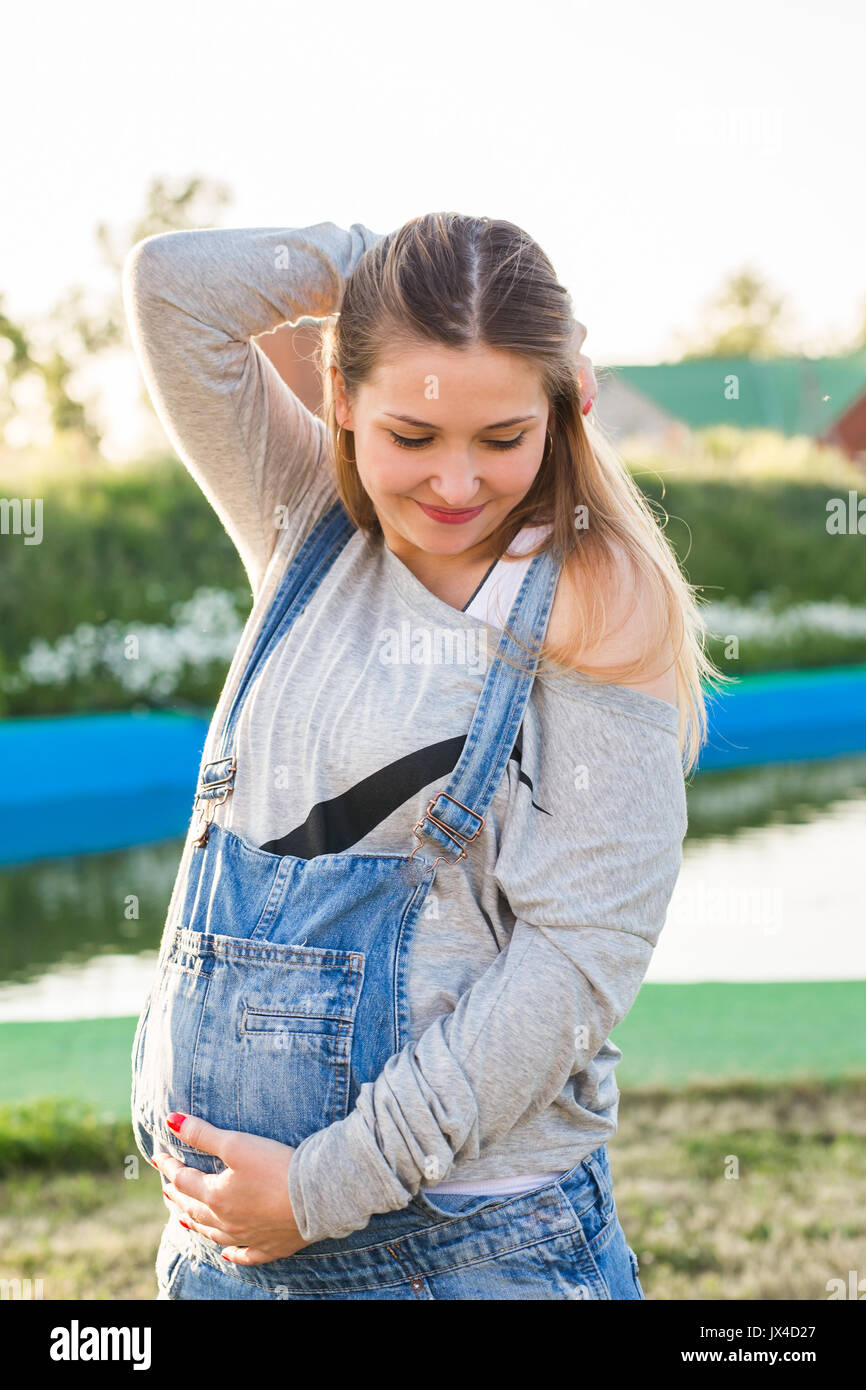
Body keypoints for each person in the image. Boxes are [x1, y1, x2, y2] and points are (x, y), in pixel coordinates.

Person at [122, 212, 717, 1301]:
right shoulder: (306, 520)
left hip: (466, 1255)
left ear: (561, 408)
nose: (454, 483)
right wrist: (384, 271)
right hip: (225, 1254)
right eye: (412, 433)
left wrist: (321, 1186)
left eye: (501, 436)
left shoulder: (592, 597)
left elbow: (577, 963)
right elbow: (171, 290)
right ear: (342, 401)